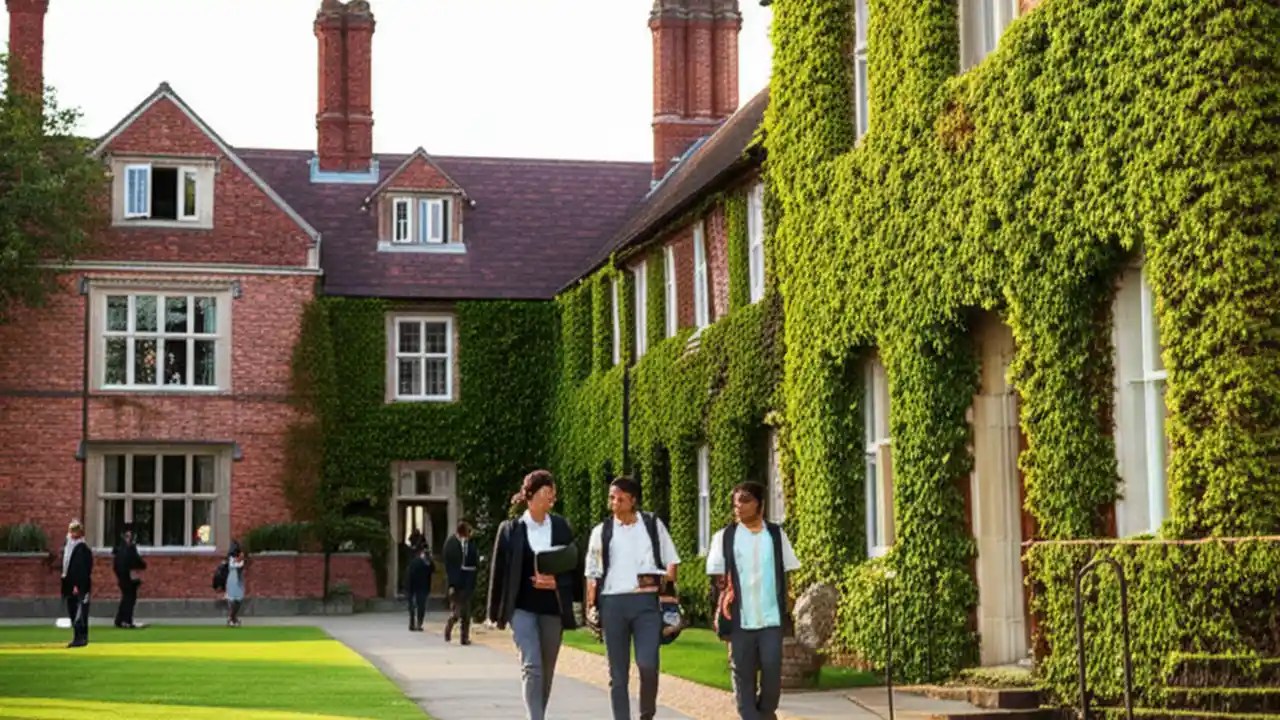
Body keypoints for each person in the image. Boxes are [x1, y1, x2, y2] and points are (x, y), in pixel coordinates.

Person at [584, 476, 680, 720]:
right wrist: (591, 606)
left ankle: (647, 714)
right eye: (611, 498)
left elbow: (671, 561)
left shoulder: (651, 525)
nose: (614, 503)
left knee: (648, 665)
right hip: (612, 604)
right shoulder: (601, 531)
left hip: (646, 604)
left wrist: (668, 597)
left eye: (620, 498)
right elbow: (592, 573)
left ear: (633, 500)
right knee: (617, 674)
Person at [486, 470, 579, 720]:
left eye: (553, 494)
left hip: (552, 609)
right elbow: (499, 571)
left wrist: (556, 582)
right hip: (522, 609)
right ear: (531, 495)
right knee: (532, 666)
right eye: (547, 493)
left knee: (546, 671)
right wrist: (494, 613)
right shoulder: (511, 529)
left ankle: (538, 714)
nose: (552, 498)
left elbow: (573, 566)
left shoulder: (561, 527)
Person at [706, 482, 802, 720]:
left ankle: (766, 713)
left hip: (771, 617)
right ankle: (749, 715)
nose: (738, 506)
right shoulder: (724, 537)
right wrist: (722, 617)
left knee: (772, 670)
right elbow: (717, 581)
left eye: (745, 500)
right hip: (739, 618)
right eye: (736, 501)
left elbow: (788, 572)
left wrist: (788, 608)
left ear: (760, 504)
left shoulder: (776, 535)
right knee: (743, 674)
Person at [443, 520, 479, 645]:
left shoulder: (470, 545)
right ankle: (449, 628)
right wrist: (452, 584)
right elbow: (449, 567)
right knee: (457, 612)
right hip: (456, 584)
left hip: (466, 583)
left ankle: (464, 637)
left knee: (467, 613)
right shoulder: (451, 544)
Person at [60, 520, 93, 648]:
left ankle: (81, 638)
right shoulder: (70, 546)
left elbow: (81, 570)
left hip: (79, 585)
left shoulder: (82, 549)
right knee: (74, 612)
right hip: (70, 584)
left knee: (79, 612)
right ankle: (78, 637)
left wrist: (77, 585)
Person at [112, 522, 146, 629]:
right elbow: (135, 561)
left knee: (126, 598)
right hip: (127, 577)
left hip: (124, 576)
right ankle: (126, 620)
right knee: (129, 599)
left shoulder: (120, 549)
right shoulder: (128, 549)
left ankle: (120, 619)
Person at [405, 542, 434, 632]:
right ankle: (416, 623)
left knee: (417, 606)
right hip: (418, 587)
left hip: (418, 587)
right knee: (418, 606)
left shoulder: (424, 562)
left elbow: (433, 570)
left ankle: (414, 623)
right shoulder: (419, 562)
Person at [225, 542, 246, 627]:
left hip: (239, 580)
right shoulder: (231, 559)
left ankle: (233, 618)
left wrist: (241, 559)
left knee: (238, 600)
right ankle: (232, 618)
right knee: (233, 600)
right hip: (233, 580)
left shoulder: (239, 559)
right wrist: (240, 559)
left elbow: (241, 566)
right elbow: (236, 566)